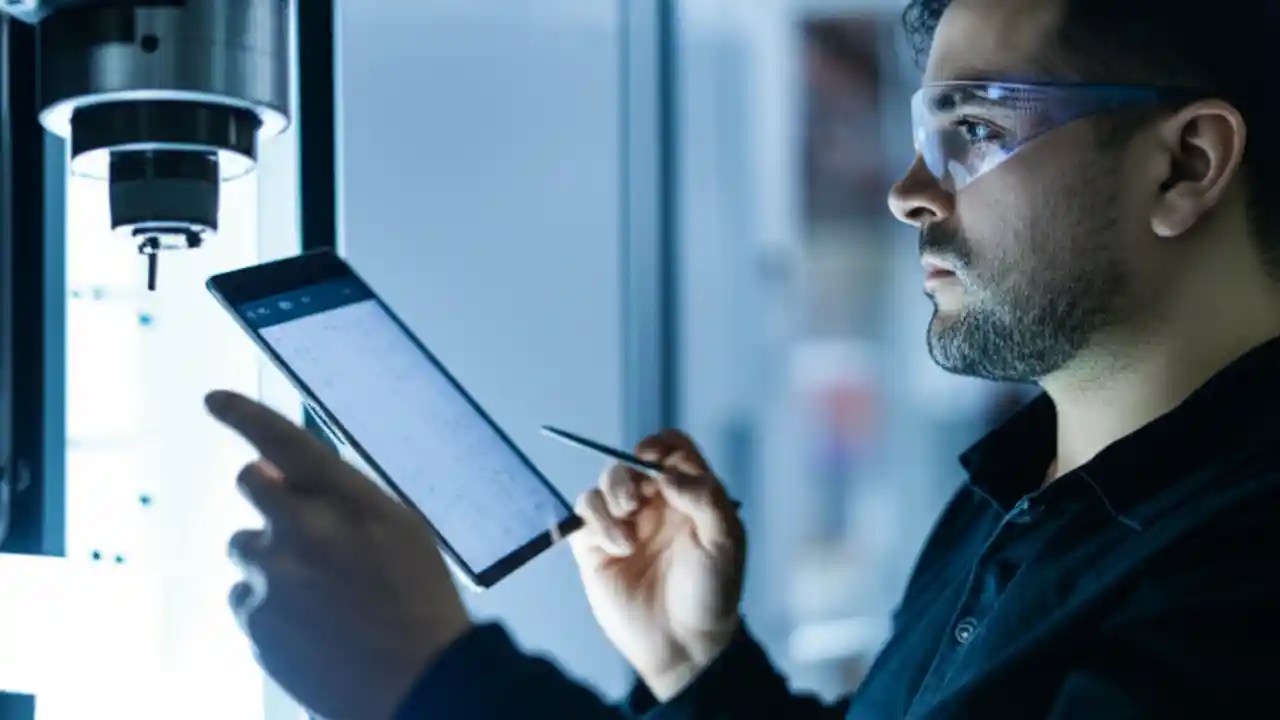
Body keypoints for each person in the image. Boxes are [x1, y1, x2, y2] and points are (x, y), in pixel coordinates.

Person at [209, 0, 1280, 717]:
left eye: (975, 130)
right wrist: (698, 666)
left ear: (1184, 164)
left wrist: (432, 682)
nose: (909, 188)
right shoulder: (1027, 491)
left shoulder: (1240, 583)